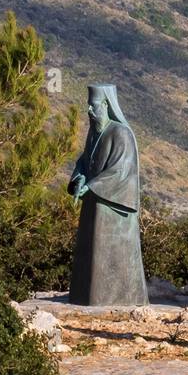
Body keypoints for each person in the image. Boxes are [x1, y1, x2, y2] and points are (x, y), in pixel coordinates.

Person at [68, 84, 148, 306]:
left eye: (93, 106)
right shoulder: (93, 133)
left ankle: (120, 297)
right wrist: (80, 178)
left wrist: (93, 186)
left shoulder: (121, 133)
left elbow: (121, 169)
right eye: (88, 107)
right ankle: (87, 296)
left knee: (111, 253)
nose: (89, 111)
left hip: (112, 203)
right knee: (90, 252)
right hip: (94, 202)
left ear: (105, 105)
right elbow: (84, 161)